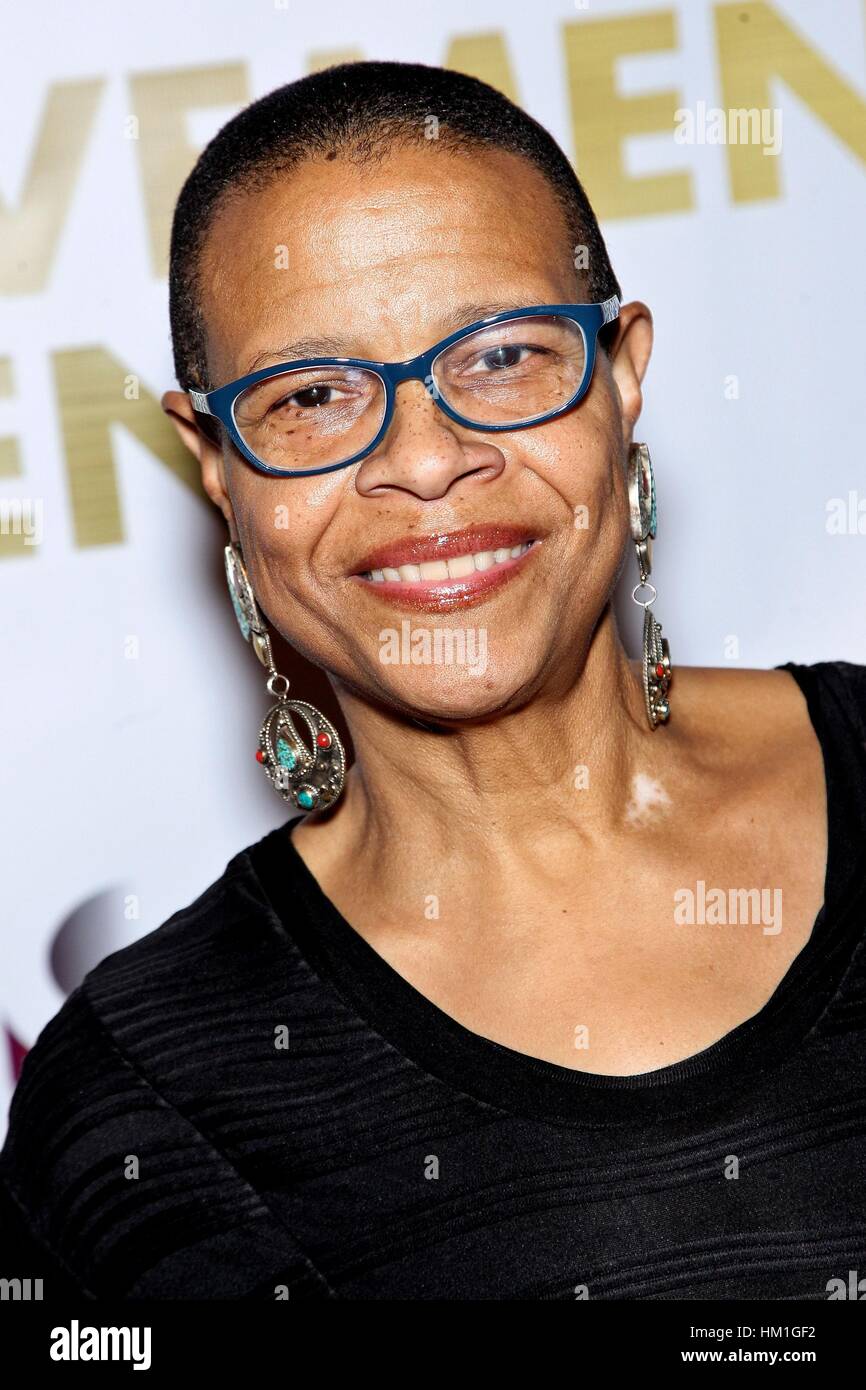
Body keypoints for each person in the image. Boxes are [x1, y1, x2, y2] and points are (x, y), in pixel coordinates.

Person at [1, 60, 864, 1301]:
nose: (425, 458)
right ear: (216, 466)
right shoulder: (140, 1097)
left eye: (502, 355)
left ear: (621, 375)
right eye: (309, 394)